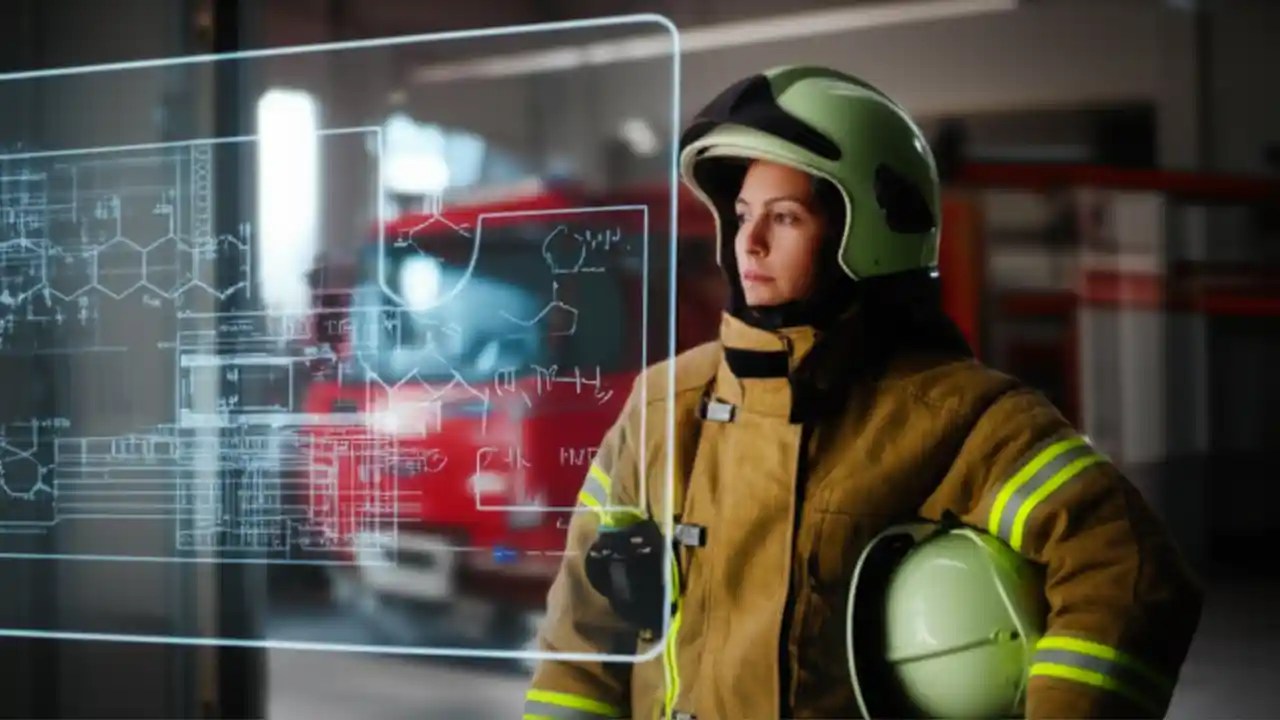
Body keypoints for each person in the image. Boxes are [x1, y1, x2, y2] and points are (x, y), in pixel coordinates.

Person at [523, 65, 1202, 720]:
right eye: (741, 214)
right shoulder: (663, 407)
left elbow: (1129, 573)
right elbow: (580, 645)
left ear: (867, 232)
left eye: (784, 218)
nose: (748, 243)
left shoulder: (962, 419)